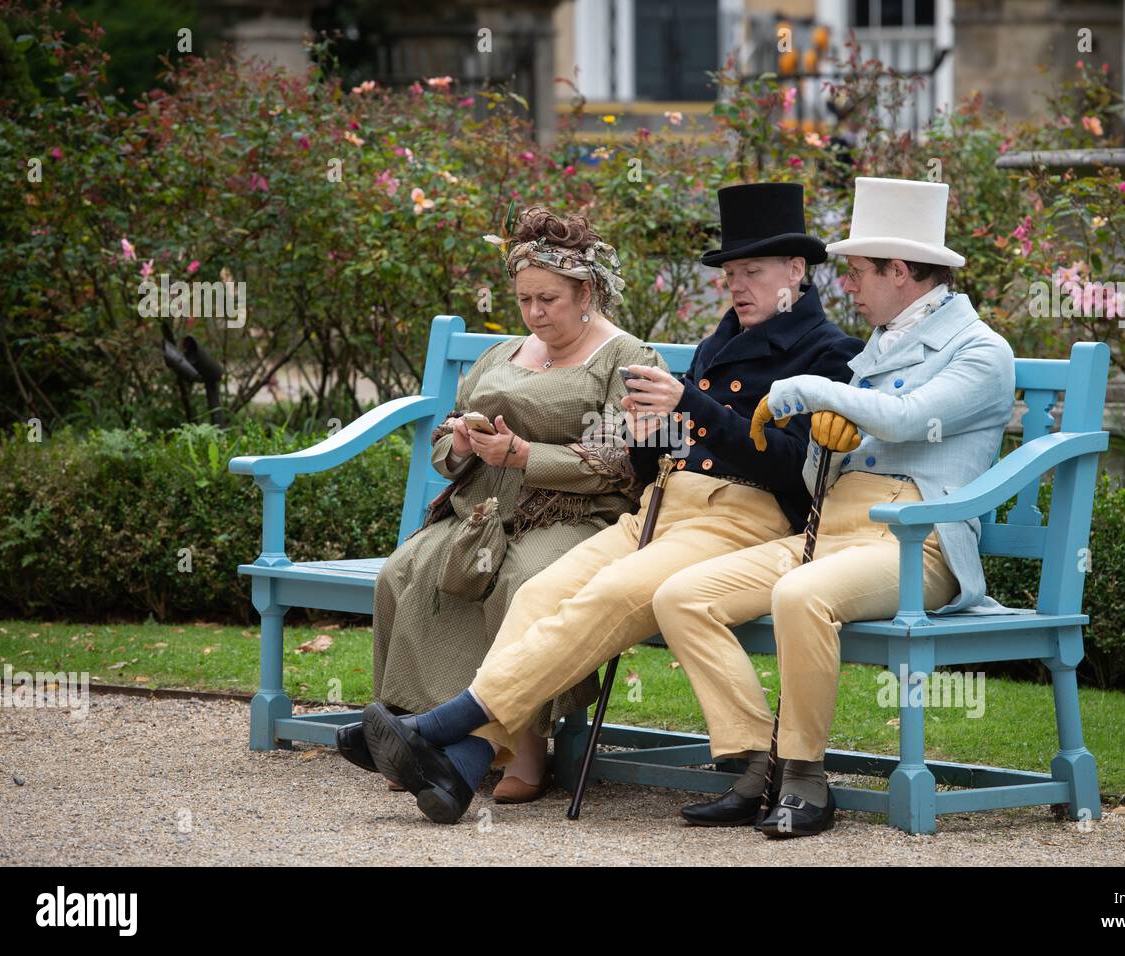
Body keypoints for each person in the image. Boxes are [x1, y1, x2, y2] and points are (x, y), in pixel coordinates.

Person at [357, 182, 865, 824]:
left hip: (740, 518)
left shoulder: (829, 355)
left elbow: (796, 471)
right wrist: (653, 437)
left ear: (796, 271)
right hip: (659, 507)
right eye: (731, 272)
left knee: (608, 594)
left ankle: (443, 730)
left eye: (752, 272)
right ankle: (459, 767)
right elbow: (660, 452)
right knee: (541, 595)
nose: (737, 286)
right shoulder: (717, 344)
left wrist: (690, 409)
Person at [656, 177, 1017, 838]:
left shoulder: (981, 352)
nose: (845, 286)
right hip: (835, 530)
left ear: (900, 272)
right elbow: (825, 465)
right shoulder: (876, 349)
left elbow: (908, 418)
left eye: (857, 273)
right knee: (680, 596)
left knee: (800, 595)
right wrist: (824, 445)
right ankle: (757, 759)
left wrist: (812, 393)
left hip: (917, 543)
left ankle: (805, 780)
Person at [337, 205, 667, 804]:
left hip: (573, 513)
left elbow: (622, 461)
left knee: (521, 582)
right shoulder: (501, 354)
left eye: (549, 300)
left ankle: (526, 749)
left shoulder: (628, 358)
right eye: (525, 301)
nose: (536, 313)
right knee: (403, 572)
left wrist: (523, 455)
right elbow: (442, 442)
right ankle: (413, 737)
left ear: (586, 291)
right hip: (480, 508)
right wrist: (461, 444)